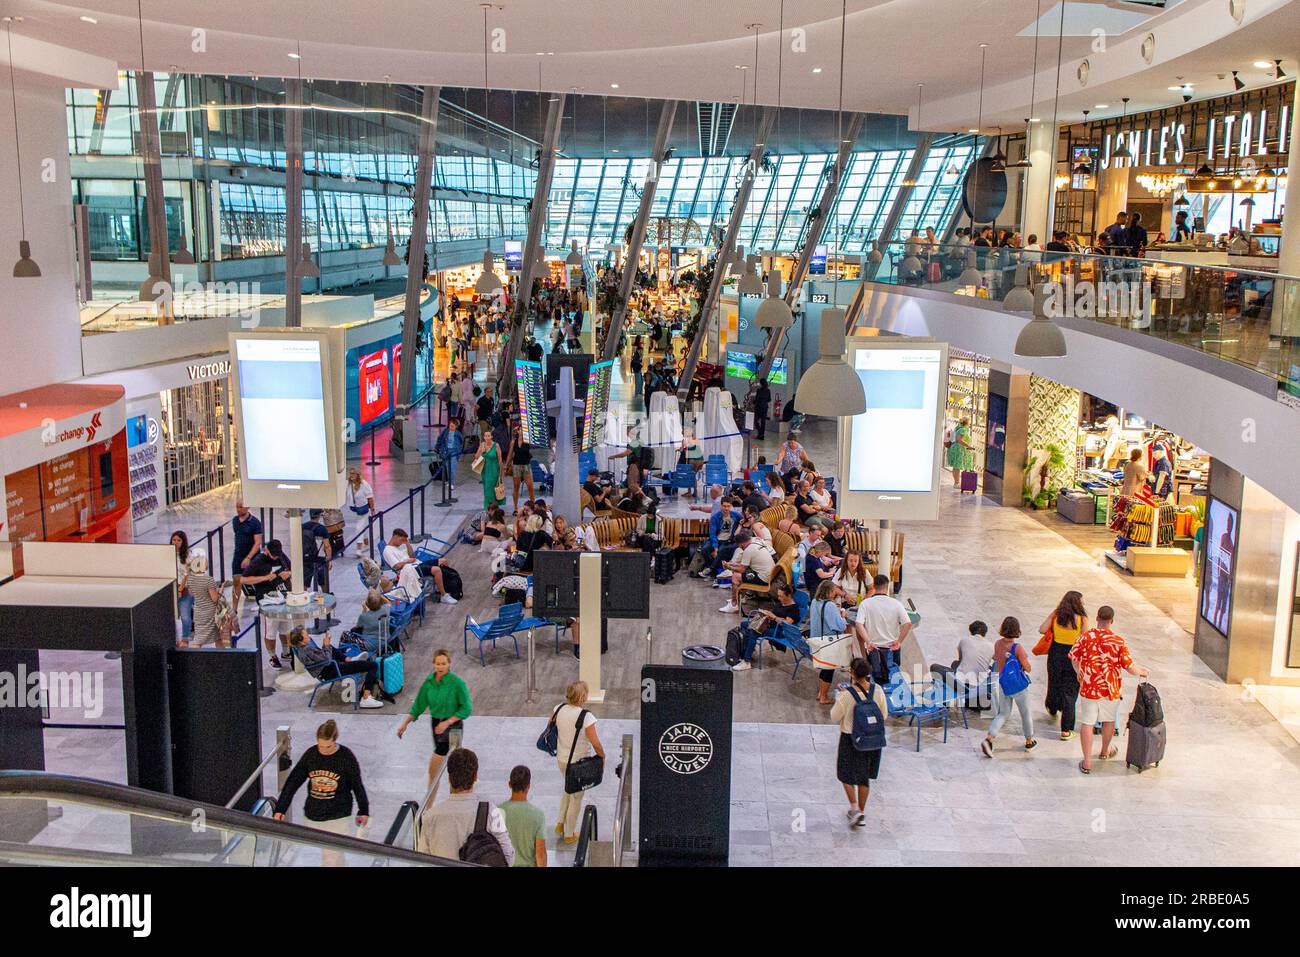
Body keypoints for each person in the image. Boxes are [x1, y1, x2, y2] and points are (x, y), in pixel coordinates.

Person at [273, 719, 370, 866]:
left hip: (338, 816)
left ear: (335, 740)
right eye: (321, 746)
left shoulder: (345, 757)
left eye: (328, 746)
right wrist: (281, 808)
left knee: (330, 857)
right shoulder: (311, 755)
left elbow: (357, 785)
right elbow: (293, 782)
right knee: (333, 857)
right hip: (314, 815)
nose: (324, 750)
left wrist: (364, 810)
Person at [1070, 606, 1148, 774]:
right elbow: (1129, 666)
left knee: (1087, 723)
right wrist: (1141, 671)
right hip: (1110, 689)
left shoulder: (1086, 637)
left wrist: (1080, 673)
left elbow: (1074, 658)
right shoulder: (1118, 641)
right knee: (1109, 721)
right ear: (1111, 621)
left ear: (1097, 618)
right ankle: (1105, 751)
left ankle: (1087, 762)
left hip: (1089, 687)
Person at [417, 748, 514, 864]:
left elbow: (422, 861)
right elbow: (508, 856)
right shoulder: (491, 811)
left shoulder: (429, 817)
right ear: (475, 777)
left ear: (449, 778)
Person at [398, 648, 472, 786]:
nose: (440, 667)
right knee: (454, 764)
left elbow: (467, 708)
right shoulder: (429, 683)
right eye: (438, 664)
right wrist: (405, 724)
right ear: (433, 664)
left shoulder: (457, 683)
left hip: (452, 725)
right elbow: (418, 706)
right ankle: (431, 803)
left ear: (449, 664)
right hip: (436, 724)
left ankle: (458, 789)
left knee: (440, 765)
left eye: (443, 663)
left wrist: (447, 722)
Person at [830, 657, 888, 827]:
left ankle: (854, 807)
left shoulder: (846, 695)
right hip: (873, 739)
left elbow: (834, 716)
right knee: (864, 777)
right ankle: (861, 812)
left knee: (845, 774)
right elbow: (883, 715)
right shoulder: (878, 691)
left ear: (852, 673)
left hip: (850, 739)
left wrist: (839, 697)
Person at [552, 680, 604, 845]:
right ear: (582, 697)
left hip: (561, 759)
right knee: (577, 797)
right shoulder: (586, 717)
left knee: (568, 789)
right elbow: (595, 742)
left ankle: (560, 823)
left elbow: (551, 727)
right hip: (577, 764)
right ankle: (569, 833)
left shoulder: (558, 709)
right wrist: (602, 756)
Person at [288, 627, 390, 709]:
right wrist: (326, 646)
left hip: (328, 667)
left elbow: (321, 658)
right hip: (332, 670)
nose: (308, 636)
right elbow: (327, 660)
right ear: (301, 641)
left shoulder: (301, 648)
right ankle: (366, 698)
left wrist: (326, 645)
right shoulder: (307, 649)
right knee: (373, 665)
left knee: (331, 647)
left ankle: (349, 659)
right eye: (306, 635)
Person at [980, 617, 1037, 757]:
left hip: (1003, 684)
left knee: (1003, 714)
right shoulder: (1017, 648)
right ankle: (1029, 741)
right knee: (1025, 713)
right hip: (1018, 687)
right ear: (1017, 630)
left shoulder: (997, 644)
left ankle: (989, 739)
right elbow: (1028, 668)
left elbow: (996, 659)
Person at [1040, 590, 1087, 740]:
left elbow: (1041, 629)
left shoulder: (1056, 614)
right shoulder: (1082, 618)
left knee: (1054, 682)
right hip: (1073, 656)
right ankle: (1066, 730)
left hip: (1055, 654)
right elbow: (1085, 638)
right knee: (1070, 691)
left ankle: (1053, 707)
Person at [243, 539, 293, 667]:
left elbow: (291, 567)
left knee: (286, 628)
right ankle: (272, 655)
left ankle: (286, 651)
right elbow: (244, 579)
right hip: (267, 600)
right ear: (267, 550)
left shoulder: (281, 556)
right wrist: (265, 578)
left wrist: (289, 573)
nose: (276, 557)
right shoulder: (258, 561)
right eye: (273, 554)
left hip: (284, 597)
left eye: (278, 554)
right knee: (271, 631)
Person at [732, 582, 800, 671]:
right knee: (744, 624)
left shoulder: (793, 609)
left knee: (754, 631)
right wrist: (766, 613)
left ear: (789, 595)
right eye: (778, 595)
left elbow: (787, 624)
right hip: (770, 625)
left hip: (779, 631)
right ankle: (748, 649)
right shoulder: (781, 603)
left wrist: (773, 617)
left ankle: (746, 661)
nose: (779, 598)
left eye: (781, 596)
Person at [810, 579, 857, 705]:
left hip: (817, 640)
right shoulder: (829, 606)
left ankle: (821, 693)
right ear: (830, 592)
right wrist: (842, 614)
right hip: (829, 642)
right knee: (829, 670)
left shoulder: (815, 602)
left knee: (824, 668)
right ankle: (823, 697)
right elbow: (839, 626)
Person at [383, 528, 458, 604]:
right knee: (437, 570)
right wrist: (408, 561)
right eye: (401, 540)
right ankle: (444, 596)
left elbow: (412, 556)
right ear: (395, 537)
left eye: (403, 541)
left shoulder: (397, 546)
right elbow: (396, 566)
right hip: (411, 570)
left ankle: (446, 587)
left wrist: (407, 543)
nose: (402, 543)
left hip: (418, 564)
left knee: (443, 561)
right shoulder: (388, 551)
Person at [930, 620, 993, 708]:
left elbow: (961, 659)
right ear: (984, 633)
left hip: (962, 684)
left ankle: (944, 698)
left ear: (971, 631)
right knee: (955, 664)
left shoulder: (964, 640)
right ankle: (974, 699)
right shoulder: (991, 646)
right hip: (979, 687)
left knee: (935, 667)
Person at [858, 574, 913, 675]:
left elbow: (858, 624)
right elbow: (908, 624)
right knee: (893, 678)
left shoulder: (865, 604)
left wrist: (868, 642)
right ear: (887, 587)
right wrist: (899, 641)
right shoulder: (896, 604)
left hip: (873, 648)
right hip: (892, 648)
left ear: (873, 586)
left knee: (875, 678)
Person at [499, 765, 548, 868]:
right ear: (528, 786)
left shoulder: (498, 811)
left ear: (509, 784)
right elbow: (540, 853)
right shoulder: (538, 815)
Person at [178, 550, 228, 648]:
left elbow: (190, 592)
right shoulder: (208, 580)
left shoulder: (190, 579)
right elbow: (214, 599)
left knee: (210, 638)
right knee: (204, 640)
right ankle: (194, 659)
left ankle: (221, 658)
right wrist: (221, 591)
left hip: (198, 612)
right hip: (210, 613)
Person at [718, 529, 775, 614]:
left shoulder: (748, 550)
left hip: (763, 578)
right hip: (768, 575)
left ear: (742, 544)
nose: (739, 547)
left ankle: (734, 605)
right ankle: (737, 597)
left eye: (739, 546)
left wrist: (729, 567)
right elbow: (744, 565)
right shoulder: (755, 542)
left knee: (736, 576)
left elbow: (742, 569)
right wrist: (732, 564)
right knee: (739, 574)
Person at [230, 500, 263, 614]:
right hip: (238, 555)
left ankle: (261, 603)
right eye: (237, 507)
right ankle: (234, 608)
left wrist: (249, 558)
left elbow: (257, 542)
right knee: (236, 581)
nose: (239, 510)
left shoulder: (255, 523)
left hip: (252, 556)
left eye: (241, 507)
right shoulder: (235, 521)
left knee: (258, 581)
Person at [505, 421, 535, 514]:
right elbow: (510, 455)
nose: (521, 430)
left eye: (523, 429)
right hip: (516, 465)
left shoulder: (528, 440)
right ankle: (515, 508)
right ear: (517, 431)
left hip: (526, 465)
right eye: (520, 429)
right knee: (516, 487)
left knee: (530, 487)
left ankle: (533, 506)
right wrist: (506, 465)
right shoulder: (513, 442)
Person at [345, 469, 376, 557]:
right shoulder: (349, 484)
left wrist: (372, 509)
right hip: (356, 509)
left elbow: (370, 497)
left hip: (364, 509)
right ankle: (366, 540)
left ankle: (359, 547)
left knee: (359, 527)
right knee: (362, 525)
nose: (351, 475)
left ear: (358, 474)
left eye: (353, 473)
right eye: (350, 473)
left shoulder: (364, 484)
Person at [352, 588, 392, 655]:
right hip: (385, 640)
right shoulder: (385, 610)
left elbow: (357, 627)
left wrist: (364, 609)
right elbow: (388, 602)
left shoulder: (364, 617)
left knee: (347, 634)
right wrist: (379, 596)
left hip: (369, 645)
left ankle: (343, 656)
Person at [301, 510, 332, 592]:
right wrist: (329, 559)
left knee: (304, 582)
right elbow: (327, 546)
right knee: (323, 581)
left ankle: (304, 598)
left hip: (305, 558)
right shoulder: (322, 529)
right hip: (319, 558)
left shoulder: (302, 526)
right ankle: (326, 597)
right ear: (319, 516)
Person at [172, 531, 193, 640]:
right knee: (172, 615)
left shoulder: (188, 555)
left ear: (183, 542)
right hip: (172, 587)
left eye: (179, 540)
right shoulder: (168, 554)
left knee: (185, 616)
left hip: (185, 588)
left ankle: (185, 637)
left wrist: (180, 588)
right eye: (174, 540)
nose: (176, 542)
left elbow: (187, 573)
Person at [477, 428, 505, 512]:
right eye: (485, 436)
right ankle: (490, 507)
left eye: (489, 435)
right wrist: (482, 452)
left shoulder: (496, 445)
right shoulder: (482, 445)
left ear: (491, 436)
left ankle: (490, 507)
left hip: (494, 470)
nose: (487, 437)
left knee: (492, 488)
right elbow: (476, 456)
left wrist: (501, 473)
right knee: (486, 488)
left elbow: (500, 459)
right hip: (485, 471)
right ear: (484, 437)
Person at [434, 417, 464, 491]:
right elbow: (440, 439)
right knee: (447, 467)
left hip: (454, 452)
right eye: (450, 425)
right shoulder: (445, 431)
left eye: (453, 426)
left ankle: (452, 483)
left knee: (452, 468)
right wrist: (436, 447)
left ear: (456, 427)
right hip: (446, 452)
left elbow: (461, 442)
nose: (451, 427)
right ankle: (449, 481)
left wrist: (458, 452)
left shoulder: (458, 434)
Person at [945, 417, 976, 487]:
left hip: (956, 449)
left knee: (956, 466)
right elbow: (959, 440)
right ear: (967, 423)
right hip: (959, 450)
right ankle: (956, 483)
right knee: (957, 466)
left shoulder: (958, 428)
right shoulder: (963, 430)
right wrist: (968, 446)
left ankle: (956, 482)